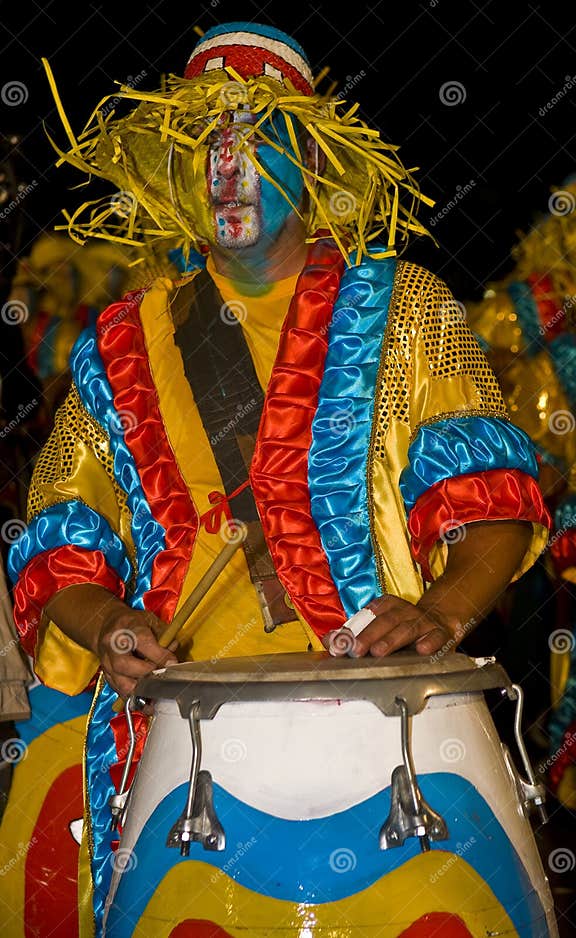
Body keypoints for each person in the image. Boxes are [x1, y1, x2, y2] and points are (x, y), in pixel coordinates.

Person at [7, 21, 550, 934]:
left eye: (255, 135)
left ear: (312, 156)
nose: (226, 164)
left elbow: (492, 495)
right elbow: (60, 539)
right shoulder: (118, 345)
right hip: (182, 739)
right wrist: (110, 626)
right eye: (202, 144)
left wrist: (449, 608)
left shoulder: (407, 305)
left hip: (396, 721)